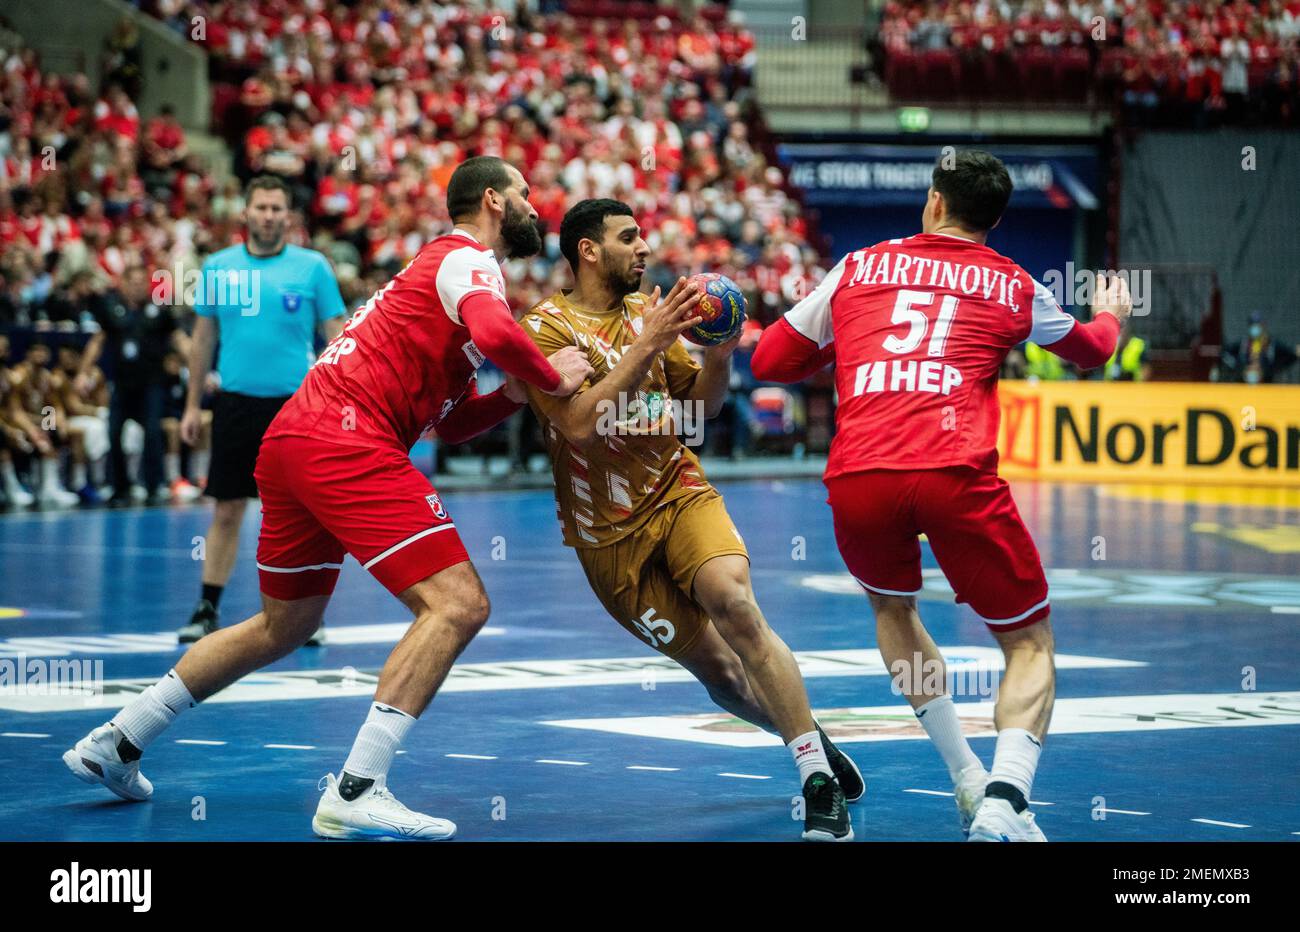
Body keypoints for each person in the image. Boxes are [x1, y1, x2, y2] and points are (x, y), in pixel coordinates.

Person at [63, 156, 592, 841]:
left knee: (281, 626)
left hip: (294, 440)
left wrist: (513, 396)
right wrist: (552, 380)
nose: (533, 206)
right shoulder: (468, 259)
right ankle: (357, 788)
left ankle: (119, 740)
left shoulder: (437, 289)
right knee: (458, 604)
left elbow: (448, 422)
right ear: (492, 201)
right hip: (346, 442)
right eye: (523, 194)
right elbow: (496, 335)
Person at [751, 149, 1132, 842]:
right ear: (993, 219)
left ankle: (965, 778)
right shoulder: (1013, 283)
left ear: (932, 202)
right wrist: (1111, 316)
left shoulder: (860, 265)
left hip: (860, 475)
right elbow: (1090, 350)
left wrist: (847, 345)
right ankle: (1004, 800)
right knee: (1028, 643)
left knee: (893, 611)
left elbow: (770, 361)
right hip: (953, 469)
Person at [517, 199, 861, 842]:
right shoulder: (545, 330)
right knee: (724, 678)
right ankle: (807, 735)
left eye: (643, 234)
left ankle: (813, 778)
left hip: (677, 490)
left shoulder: (653, 312)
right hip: (605, 534)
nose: (644, 247)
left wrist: (723, 356)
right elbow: (578, 426)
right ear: (587, 251)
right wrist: (648, 343)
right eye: (628, 237)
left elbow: (699, 404)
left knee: (735, 605)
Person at [173, 175, 348, 643]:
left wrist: (349, 400)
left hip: (297, 408)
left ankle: (308, 614)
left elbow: (339, 337)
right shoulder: (218, 268)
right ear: (245, 214)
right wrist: (193, 405)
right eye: (261, 208)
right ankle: (207, 606)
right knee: (227, 508)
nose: (269, 216)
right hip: (234, 405)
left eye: (277, 209)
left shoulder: (312, 268)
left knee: (304, 513)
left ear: (288, 217)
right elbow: (203, 340)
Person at [78, 265, 184, 506]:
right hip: (123, 384)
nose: (138, 286)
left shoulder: (159, 310)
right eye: (132, 282)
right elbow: (98, 341)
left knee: (153, 432)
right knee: (113, 431)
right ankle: (119, 488)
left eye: (141, 282)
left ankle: (153, 485)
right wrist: (83, 373)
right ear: (123, 284)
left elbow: (178, 340)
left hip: (152, 384)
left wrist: (198, 368)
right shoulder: (111, 309)